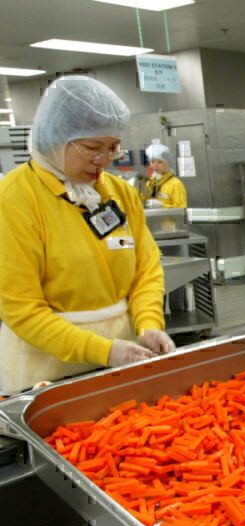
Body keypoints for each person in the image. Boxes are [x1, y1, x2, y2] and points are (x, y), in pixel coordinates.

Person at [0, 76, 174, 393]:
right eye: (93, 148)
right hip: (46, 367)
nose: (104, 161)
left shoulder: (118, 192)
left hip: (122, 356)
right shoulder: (13, 199)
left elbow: (146, 269)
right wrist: (104, 350)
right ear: (54, 138)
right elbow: (22, 309)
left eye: (112, 148)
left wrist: (148, 324)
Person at [141, 143, 187, 209]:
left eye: (159, 162)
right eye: (152, 162)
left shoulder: (175, 184)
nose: (155, 165)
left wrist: (162, 206)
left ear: (167, 163)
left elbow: (182, 210)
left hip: (169, 219)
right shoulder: (150, 182)